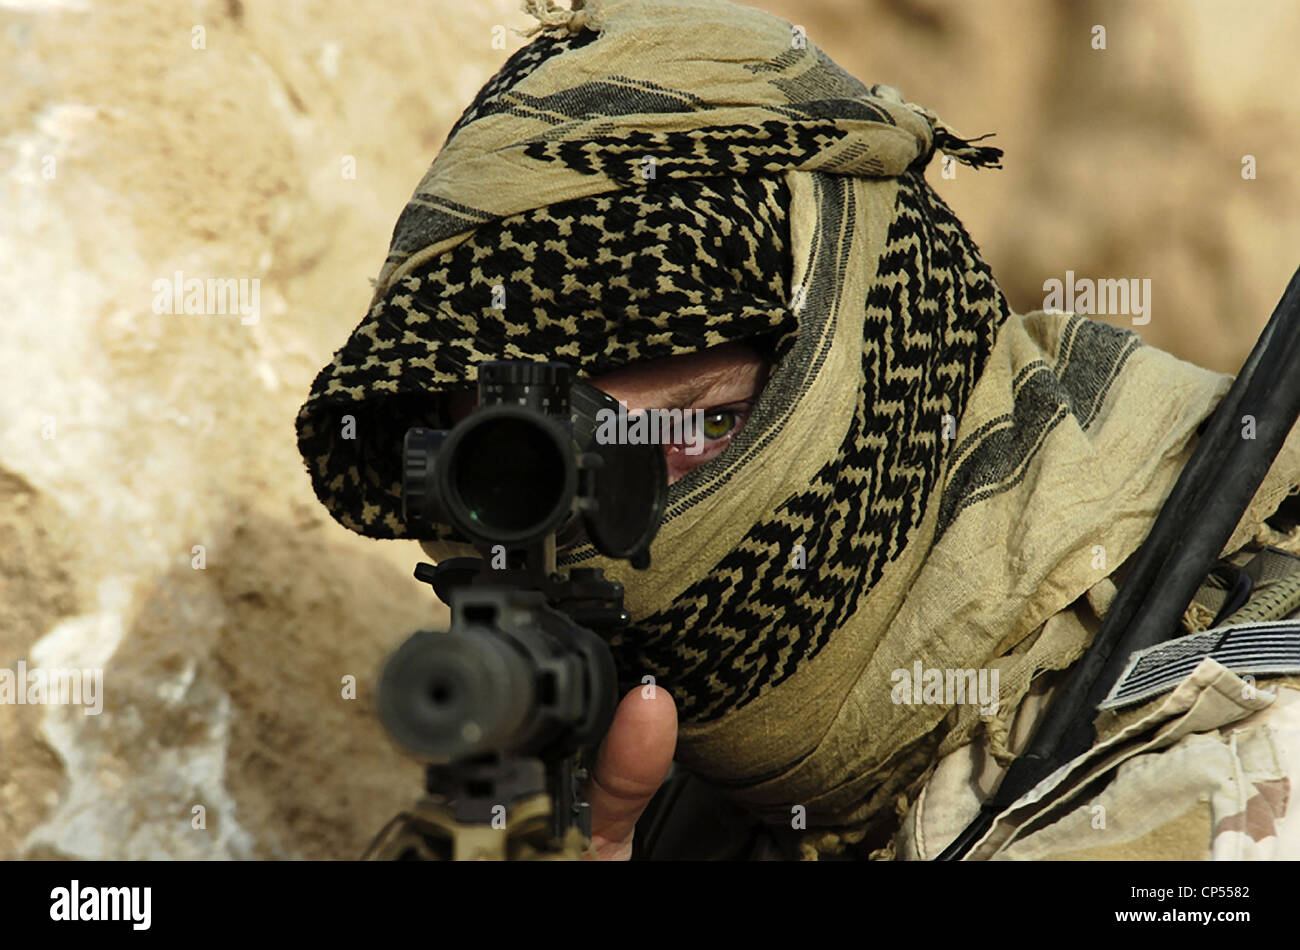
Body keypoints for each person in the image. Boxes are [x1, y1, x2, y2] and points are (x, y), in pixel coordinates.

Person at [296, 0, 1300, 859]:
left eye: (705, 423)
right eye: (540, 470)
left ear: (889, 357)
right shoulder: (714, 799)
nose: (624, 518)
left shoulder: (1238, 730)